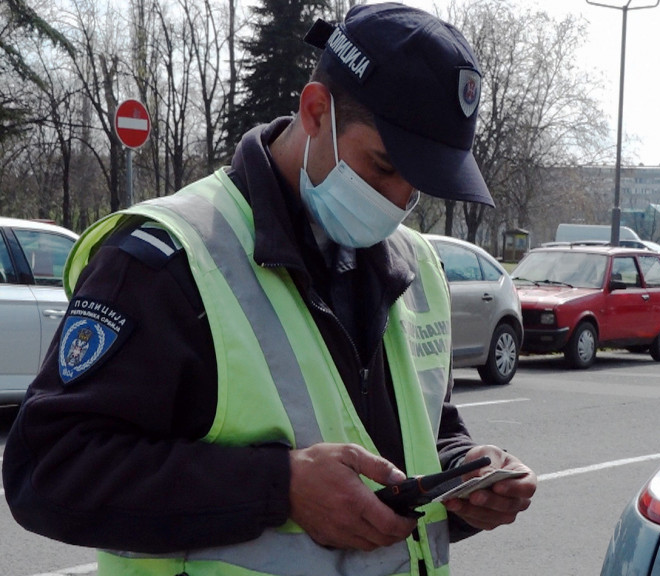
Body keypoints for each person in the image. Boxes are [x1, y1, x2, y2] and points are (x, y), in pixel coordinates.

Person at [2, 3, 536, 575]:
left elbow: (426, 425)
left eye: (421, 185)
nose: (399, 200)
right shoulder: (171, 259)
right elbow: (49, 469)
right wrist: (279, 488)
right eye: (383, 166)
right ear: (315, 111)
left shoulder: (416, 265)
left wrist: (464, 472)